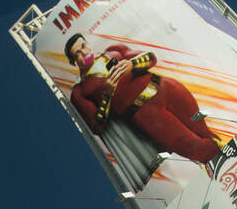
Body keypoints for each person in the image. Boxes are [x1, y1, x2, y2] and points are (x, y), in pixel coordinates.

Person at [65, 33, 227, 169]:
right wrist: (107, 95)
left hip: (165, 86)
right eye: (77, 54)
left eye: (83, 46)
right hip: (146, 114)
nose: (83, 53)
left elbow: (151, 57)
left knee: (204, 129)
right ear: (73, 62)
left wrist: (132, 63)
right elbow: (96, 126)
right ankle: (227, 170)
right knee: (194, 147)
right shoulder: (80, 91)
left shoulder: (112, 51)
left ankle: (236, 154)